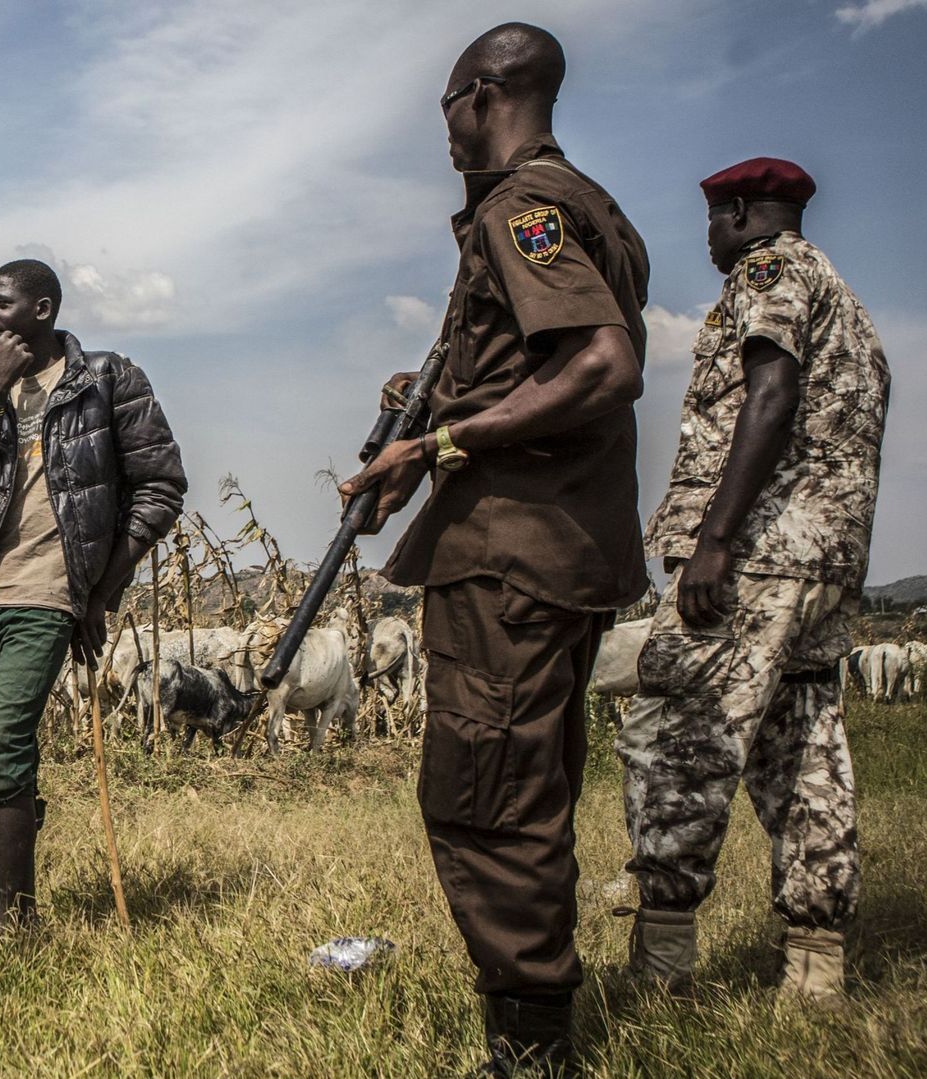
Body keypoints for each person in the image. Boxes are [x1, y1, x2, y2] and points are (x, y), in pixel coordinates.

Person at [340, 23, 649, 1075]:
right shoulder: (591, 207)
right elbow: (539, 369)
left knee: (485, 796)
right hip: (559, 552)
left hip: (510, 559)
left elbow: (602, 365)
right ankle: (540, 1025)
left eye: (445, 105)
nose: (444, 128)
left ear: (481, 93)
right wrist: (418, 440)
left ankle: (531, 1052)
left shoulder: (524, 208)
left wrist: (444, 438)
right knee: (527, 790)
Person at [617, 159, 889, 1000]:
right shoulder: (847, 300)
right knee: (804, 748)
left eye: (712, 221)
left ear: (739, 213)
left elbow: (769, 395)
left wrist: (715, 541)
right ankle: (814, 968)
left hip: (758, 556)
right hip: (822, 563)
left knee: (679, 734)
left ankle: (662, 971)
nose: (708, 238)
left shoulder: (768, 273)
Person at [0, 258, 185, 929]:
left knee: (1, 740)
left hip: (52, 592)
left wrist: (101, 590)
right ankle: (18, 898)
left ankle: (12, 922)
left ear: (41, 310)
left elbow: (161, 486)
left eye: (0, 303)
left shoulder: (106, 380)